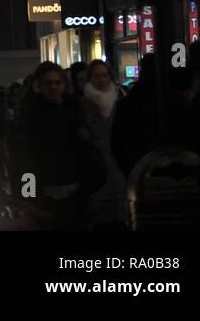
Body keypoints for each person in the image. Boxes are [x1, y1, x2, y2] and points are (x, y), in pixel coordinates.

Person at [8, 62, 100, 230]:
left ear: (64, 85)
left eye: (57, 83)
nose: (53, 87)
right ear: (38, 86)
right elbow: (23, 159)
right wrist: (28, 195)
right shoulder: (29, 116)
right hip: (45, 192)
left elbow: (86, 150)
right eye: (48, 83)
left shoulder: (75, 110)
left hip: (75, 189)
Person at [79, 59, 126, 229]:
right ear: (90, 78)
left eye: (105, 75)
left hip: (118, 164)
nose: (101, 80)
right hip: (96, 166)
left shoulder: (119, 101)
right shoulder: (83, 104)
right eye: (97, 76)